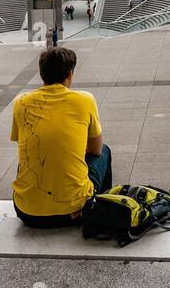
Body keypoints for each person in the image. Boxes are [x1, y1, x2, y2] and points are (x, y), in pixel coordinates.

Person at [10, 46, 113, 228]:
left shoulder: (21, 102)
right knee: (105, 151)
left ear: (42, 75)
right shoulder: (85, 100)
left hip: (26, 212)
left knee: (28, 155)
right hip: (74, 212)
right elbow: (96, 149)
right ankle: (99, 208)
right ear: (70, 74)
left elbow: (25, 144)